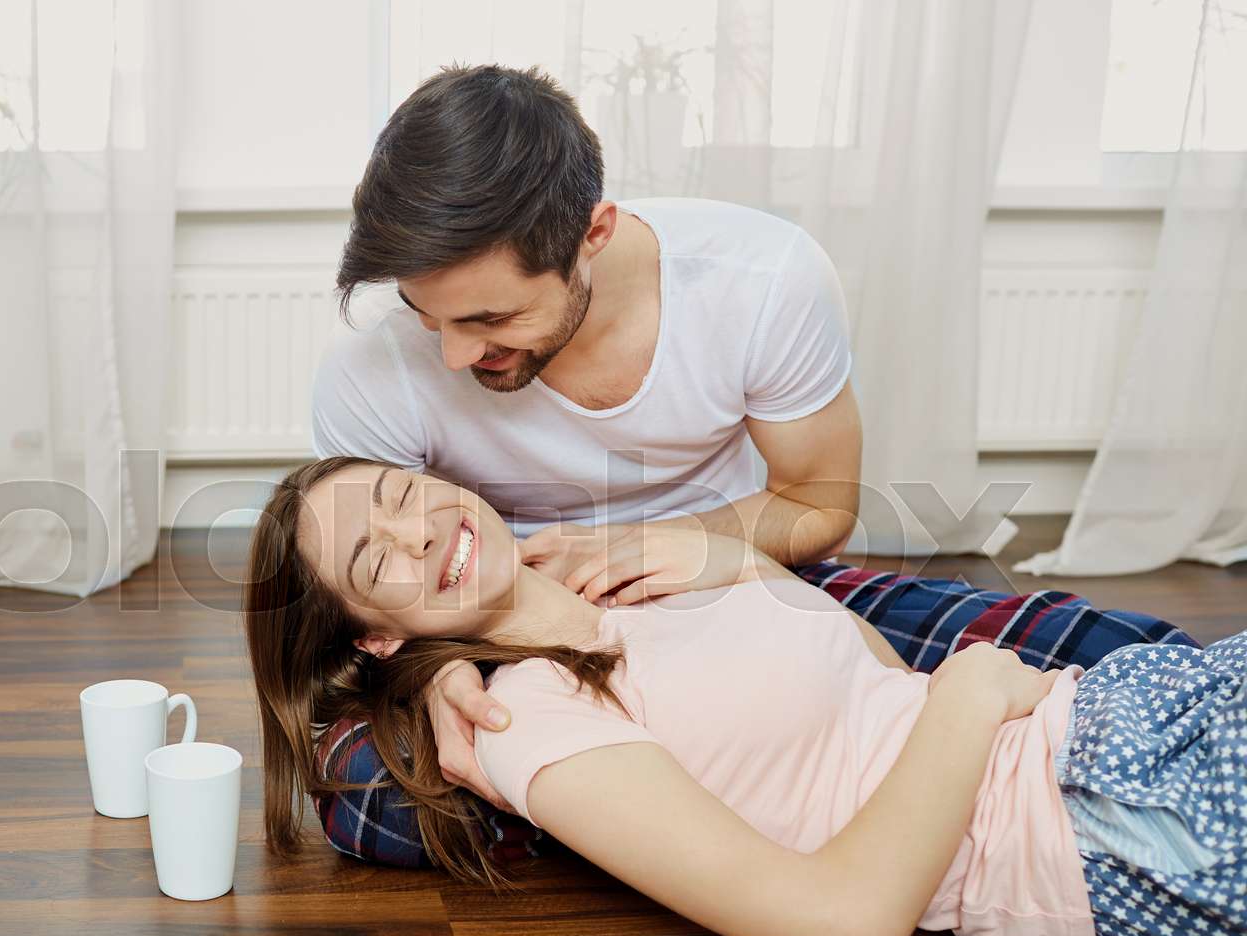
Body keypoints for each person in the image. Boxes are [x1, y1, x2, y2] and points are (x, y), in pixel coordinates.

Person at [244, 457, 1247, 936]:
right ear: (375, 639)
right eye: (379, 561)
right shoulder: (517, 716)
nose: (420, 530)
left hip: (1127, 708)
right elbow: (844, 933)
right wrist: (973, 693)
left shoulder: (631, 569)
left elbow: (875, 691)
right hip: (1105, 817)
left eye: (402, 495)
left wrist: (738, 565)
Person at [313, 63, 863, 812]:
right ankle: (736, 790)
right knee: (362, 791)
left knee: (1053, 647)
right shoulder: (367, 373)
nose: (454, 356)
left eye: (492, 319)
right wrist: (432, 667)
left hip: (733, 578)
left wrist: (637, 547)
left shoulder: (764, 280)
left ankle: (653, 806)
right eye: (426, 314)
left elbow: (820, 504)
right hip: (505, 633)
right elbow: (379, 586)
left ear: (593, 234)